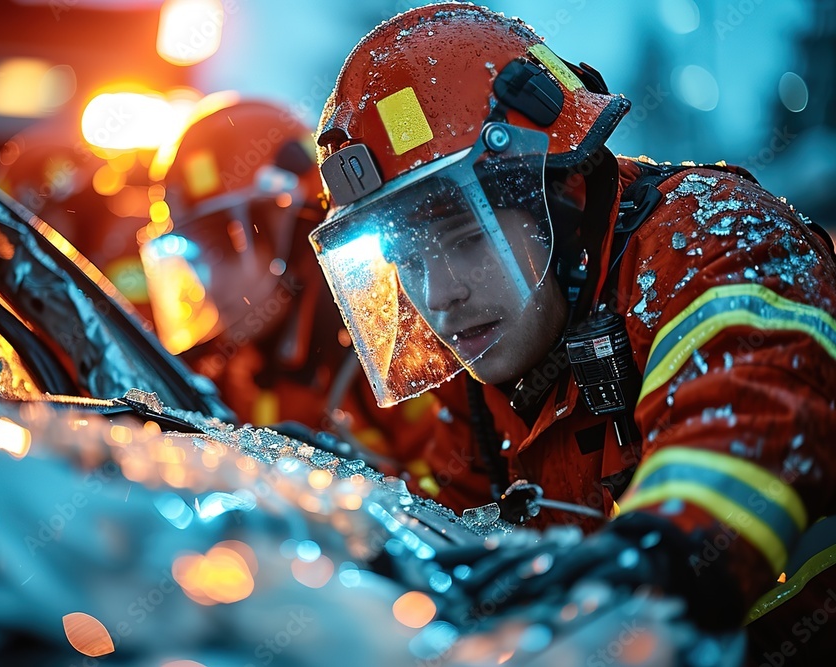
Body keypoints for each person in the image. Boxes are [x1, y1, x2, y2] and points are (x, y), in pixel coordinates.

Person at [308, 3, 836, 661]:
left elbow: (757, 411)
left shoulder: (711, 238)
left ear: (565, 193)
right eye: (408, 261)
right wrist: (328, 495)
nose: (439, 295)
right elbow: (448, 538)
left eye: (468, 238)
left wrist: (657, 557)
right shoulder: (479, 369)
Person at [141, 96, 434, 464]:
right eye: (194, 255)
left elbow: (460, 509)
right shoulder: (222, 372)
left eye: (224, 248)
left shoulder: (395, 351)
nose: (207, 282)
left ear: (296, 230)